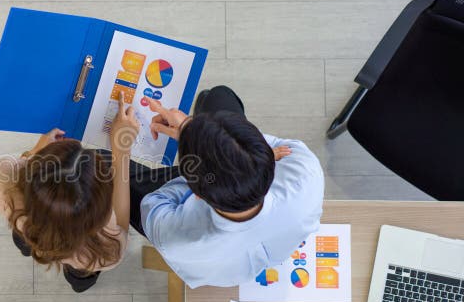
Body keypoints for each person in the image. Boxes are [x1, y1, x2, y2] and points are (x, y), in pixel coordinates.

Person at [130, 85, 324, 289]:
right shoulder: (305, 172)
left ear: (195, 194)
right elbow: (260, 147)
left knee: (118, 176)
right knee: (219, 96)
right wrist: (191, 132)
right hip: (225, 210)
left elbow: (155, 201)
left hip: (186, 203)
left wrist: (191, 132)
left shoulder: (176, 239)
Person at [0, 97, 140, 292]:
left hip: (28, 228)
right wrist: (121, 152)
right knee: (81, 276)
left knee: (25, 241)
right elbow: (121, 225)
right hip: (86, 254)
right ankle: (78, 284)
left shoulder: (2, 176)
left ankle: (28, 247)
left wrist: (31, 154)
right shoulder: (108, 251)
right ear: (103, 209)